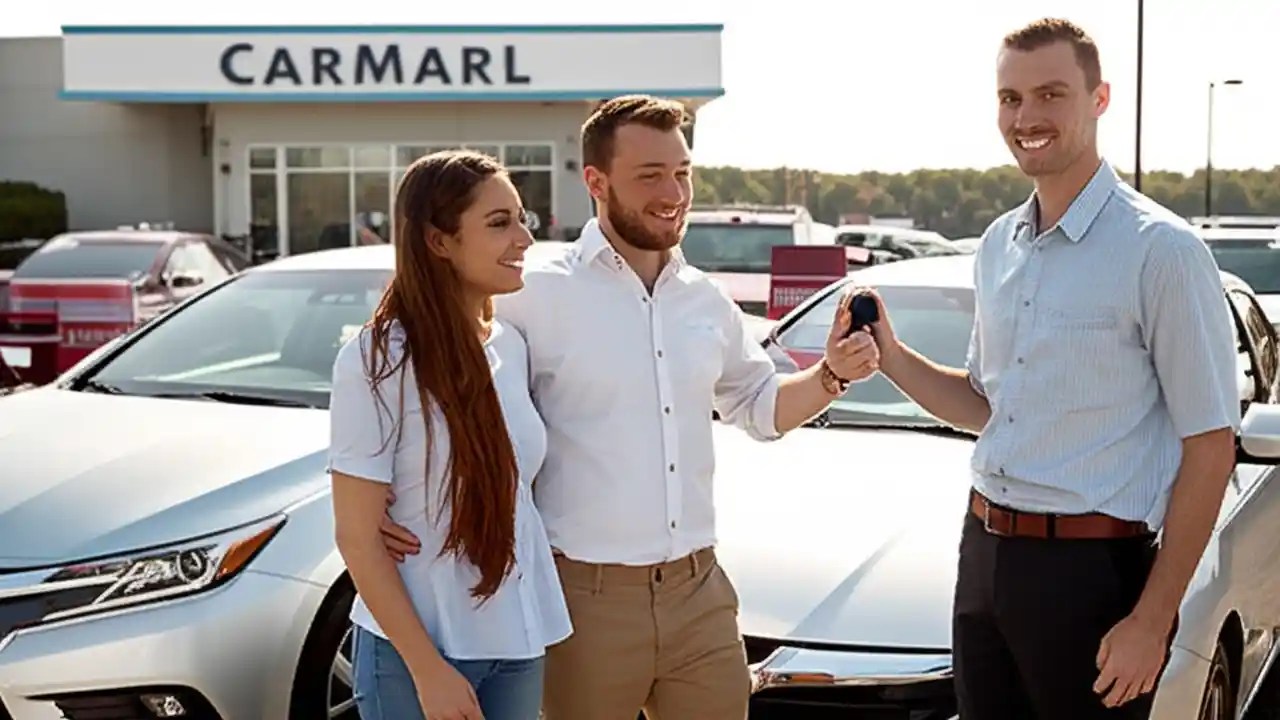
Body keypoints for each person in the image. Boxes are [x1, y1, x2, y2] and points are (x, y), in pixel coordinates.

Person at [380, 94, 882, 720]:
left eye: (682, 172)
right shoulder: (530, 291)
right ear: (596, 181)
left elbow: (757, 405)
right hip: (581, 602)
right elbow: (435, 398)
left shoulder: (704, 299)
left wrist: (831, 374)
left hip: (699, 595)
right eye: (650, 175)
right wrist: (383, 504)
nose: (673, 191)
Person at [860, 18, 1239, 720]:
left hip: (1093, 577)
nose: (1026, 118)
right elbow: (986, 407)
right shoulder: (998, 244)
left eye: (1050, 94)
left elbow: (1211, 447)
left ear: (1099, 99)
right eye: (1010, 99)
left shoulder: (1163, 252)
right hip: (984, 560)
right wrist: (890, 355)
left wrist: (1152, 621)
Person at [328, 149, 572, 720]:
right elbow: (358, 537)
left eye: (521, 220)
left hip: (516, 635)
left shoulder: (509, 345)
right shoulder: (378, 357)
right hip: (420, 647)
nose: (524, 239)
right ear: (439, 241)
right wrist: (428, 670)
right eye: (499, 223)